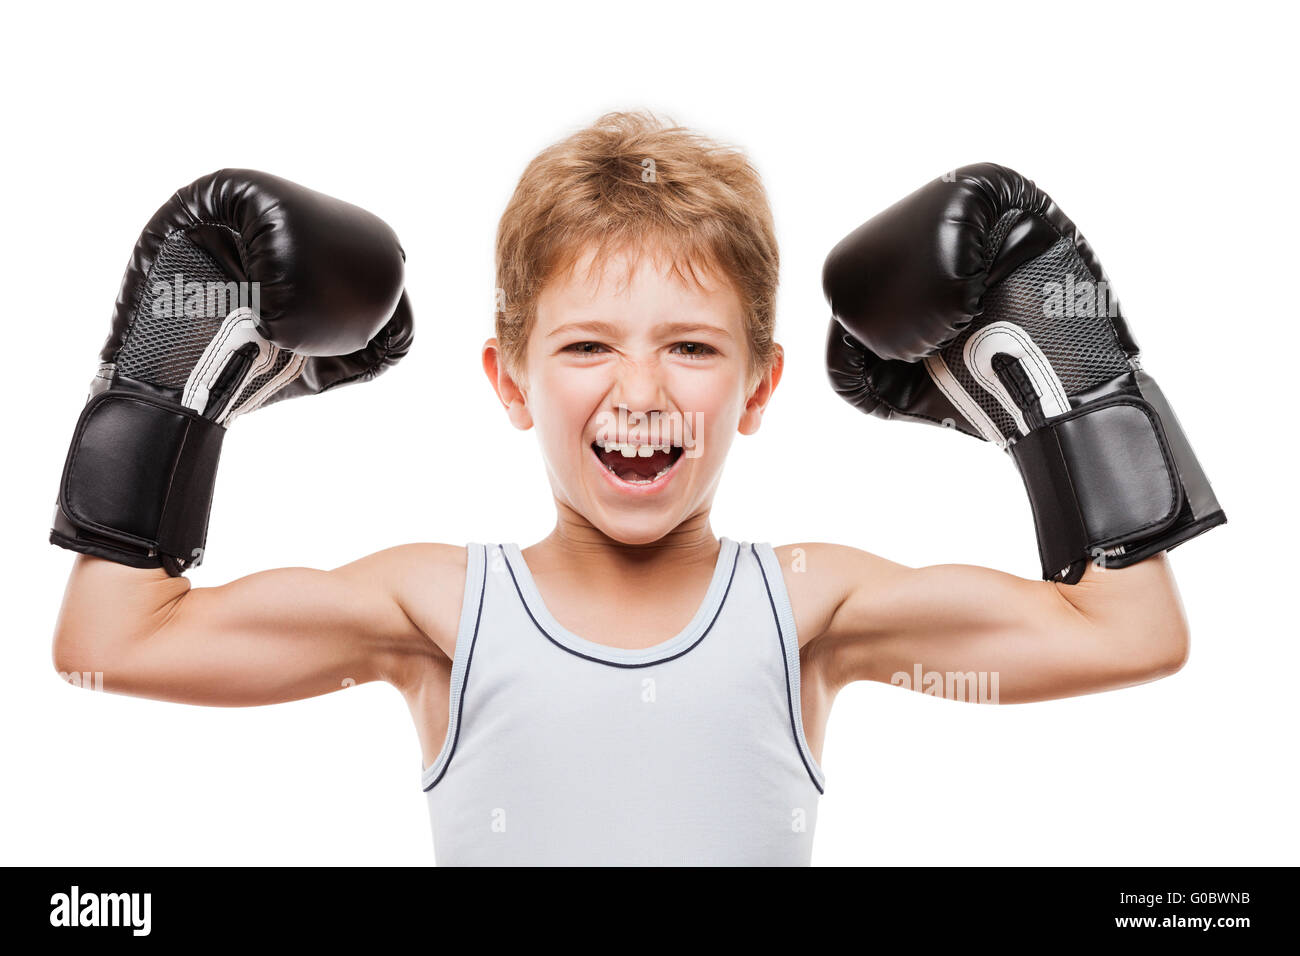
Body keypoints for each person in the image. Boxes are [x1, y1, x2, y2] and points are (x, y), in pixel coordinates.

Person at [50, 112, 1225, 866]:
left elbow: (1134, 629)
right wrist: (169, 384)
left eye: (692, 347)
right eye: (586, 346)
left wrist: (1066, 386)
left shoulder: (807, 607)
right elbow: (112, 637)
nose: (640, 389)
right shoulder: (440, 610)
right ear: (508, 380)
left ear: (760, 388)